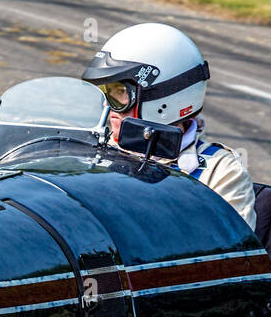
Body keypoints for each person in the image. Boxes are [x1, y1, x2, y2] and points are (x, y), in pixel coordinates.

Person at [82, 23, 256, 230]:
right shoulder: (92, 151)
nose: (107, 106)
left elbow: (232, 255)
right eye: (106, 93)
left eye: (119, 93)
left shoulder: (220, 172)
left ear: (164, 98)